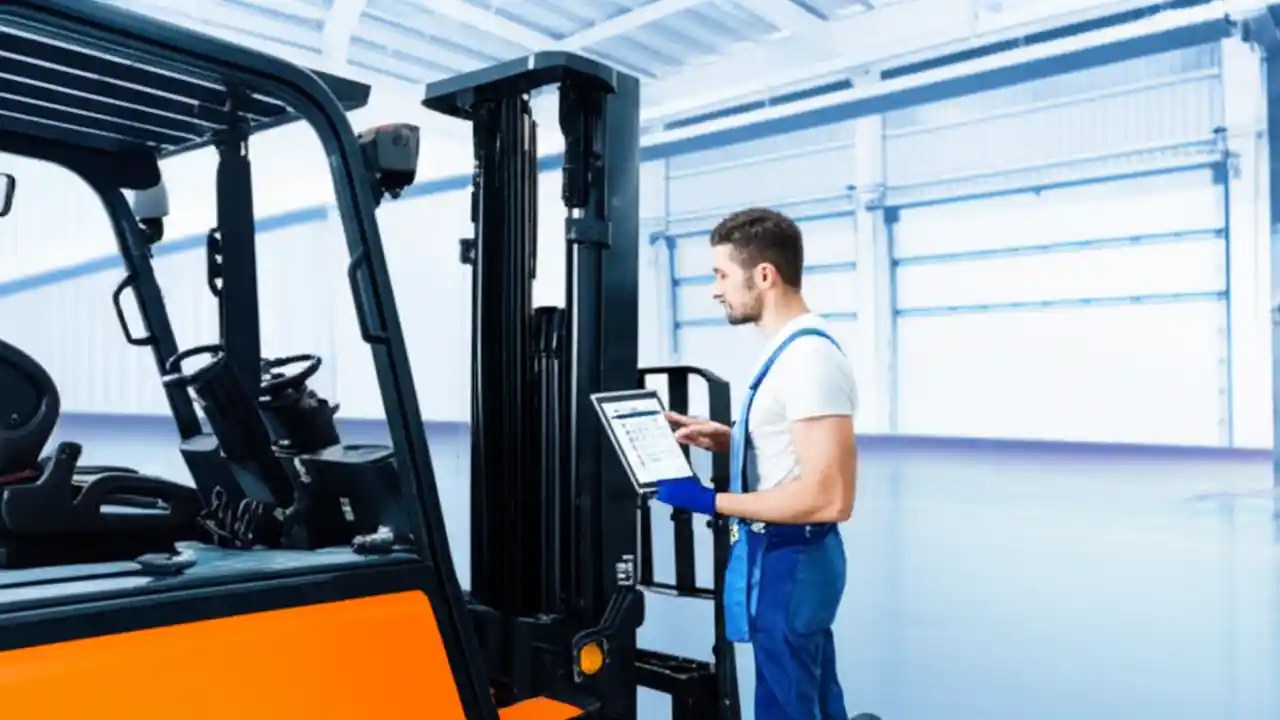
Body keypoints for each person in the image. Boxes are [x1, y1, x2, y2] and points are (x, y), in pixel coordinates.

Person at [652, 207, 859, 720]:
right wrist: (737, 440)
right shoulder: (789, 352)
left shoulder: (808, 359)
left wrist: (709, 500)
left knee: (786, 704)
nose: (715, 290)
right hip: (784, 558)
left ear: (764, 275)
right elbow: (797, 451)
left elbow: (830, 496)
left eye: (721, 274)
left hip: (791, 561)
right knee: (808, 694)